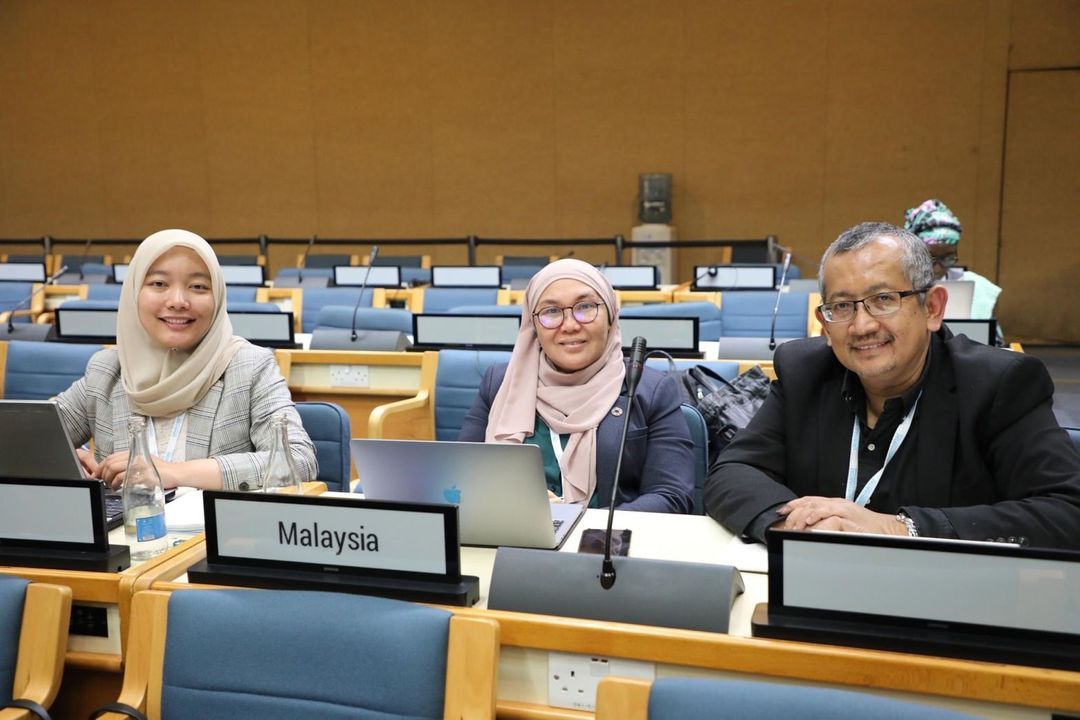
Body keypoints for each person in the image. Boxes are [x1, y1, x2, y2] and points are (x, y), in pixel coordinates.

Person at [704, 221, 1080, 549]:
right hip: (815, 587)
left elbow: (1067, 512)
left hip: (945, 604)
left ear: (931, 308)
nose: (862, 325)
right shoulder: (805, 371)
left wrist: (897, 528)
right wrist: (794, 525)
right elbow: (733, 471)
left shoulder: (997, 386)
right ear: (825, 320)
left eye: (883, 299)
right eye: (843, 306)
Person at [56, 229, 317, 491]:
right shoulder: (108, 369)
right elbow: (30, 432)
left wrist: (174, 473)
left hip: (215, 530)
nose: (178, 301)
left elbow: (298, 460)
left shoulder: (249, 367)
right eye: (159, 284)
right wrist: (64, 459)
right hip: (122, 530)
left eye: (198, 287)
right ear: (134, 291)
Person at [458, 259, 694, 513]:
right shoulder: (500, 383)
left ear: (611, 315)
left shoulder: (651, 390)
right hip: (512, 540)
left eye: (585, 307)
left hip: (604, 544)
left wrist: (578, 521)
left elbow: (672, 496)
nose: (570, 325)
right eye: (551, 312)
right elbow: (462, 479)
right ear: (533, 324)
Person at [904, 198, 1002, 319]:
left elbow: (991, 336)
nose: (938, 268)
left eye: (947, 258)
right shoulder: (897, 283)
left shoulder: (978, 290)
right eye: (930, 258)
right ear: (912, 253)